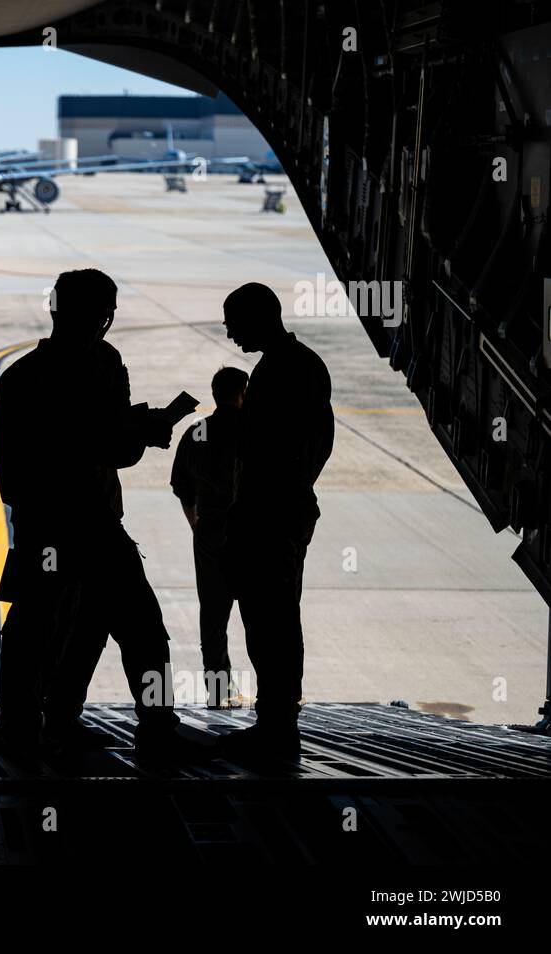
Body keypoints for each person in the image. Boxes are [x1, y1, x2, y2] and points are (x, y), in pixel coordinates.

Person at [0, 268, 192, 761]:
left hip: (49, 524)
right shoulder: (102, 363)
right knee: (138, 628)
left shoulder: (24, 375)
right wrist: (144, 429)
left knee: (43, 627)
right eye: (104, 312)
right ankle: (154, 727)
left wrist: (127, 432)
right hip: (86, 522)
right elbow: (114, 445)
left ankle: (31, 726)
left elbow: (18, 472)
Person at [219, 283, 334, 761]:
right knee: (272, 617)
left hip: (272, 513)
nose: (228, 331)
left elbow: (268, 449)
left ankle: (277, 725)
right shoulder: (296, 365)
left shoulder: (282, 371)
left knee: (273, 620)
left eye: (233, 321)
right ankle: (276, 719)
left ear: (258, 317)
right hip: (282, 508)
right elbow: (319, 441)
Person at [170, 366, 249, 708]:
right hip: (251, 532)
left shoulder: (197, 432)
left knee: (213, 617)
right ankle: (278, 695)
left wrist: (196, 525)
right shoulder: (255, 429)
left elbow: (182, 488)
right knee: (261, 615)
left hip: (210, 530)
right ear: (243, 394)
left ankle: (218, 692)